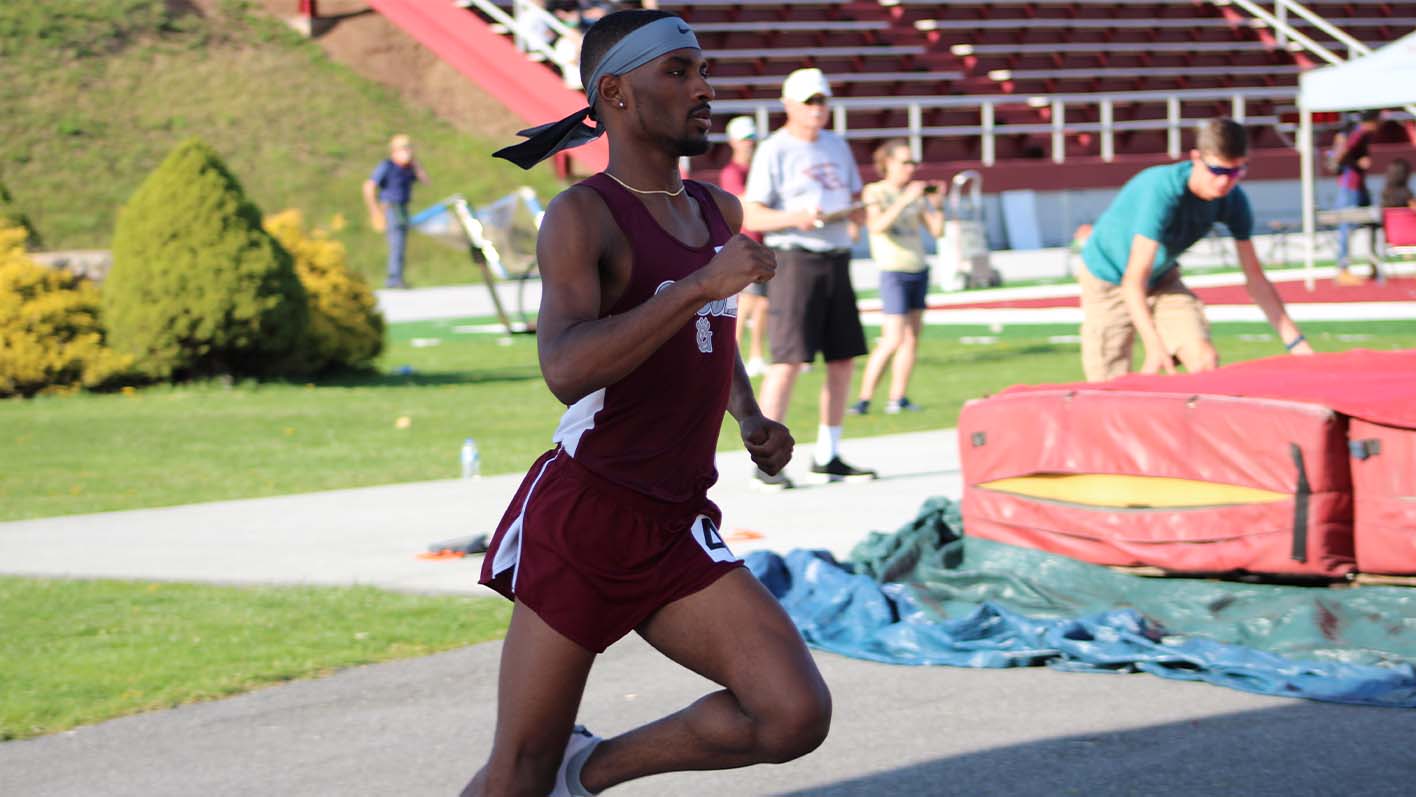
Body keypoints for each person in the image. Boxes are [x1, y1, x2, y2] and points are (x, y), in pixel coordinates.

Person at [470, 10, 831, 796]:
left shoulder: (715, 212)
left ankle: (588, 767)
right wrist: (702, 284)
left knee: (792, 712)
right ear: (616, 94)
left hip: (675, 523)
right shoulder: (583, 216)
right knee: (516, 772)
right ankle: (551, 770)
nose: (704, 87)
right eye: (678, 72)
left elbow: (708, 329)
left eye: (702, 69)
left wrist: (747, 412)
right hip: (589, 516)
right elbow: (565, 367)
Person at [1078, 117, 1314, 382]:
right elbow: (1133, 281)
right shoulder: (1163, 190)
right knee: (1108, 385)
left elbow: (1256, 280)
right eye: (1218, 171)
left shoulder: (1233, 200)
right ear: (1196, 159)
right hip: (1107, 280)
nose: (1226, 182)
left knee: (1204, 358)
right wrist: (1154, 345)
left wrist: (1297, 345)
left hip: (1163, 279)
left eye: (1237, 171)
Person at [742, 67, 876, 490]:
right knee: (788, 360)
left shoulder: (837, 145)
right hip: (795, 259)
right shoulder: (775, 150)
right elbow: (751, 213)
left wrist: (858, 213)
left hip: (836, 256)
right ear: (789, 105)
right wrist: (795, 218)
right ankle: (765, 460)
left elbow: (851, 197)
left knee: (842, 358)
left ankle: (828, 453)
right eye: (810, 101)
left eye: (823, 101)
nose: (819, 109)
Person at [849, 138, 944, 416]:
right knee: (892, 338)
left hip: (918, 268)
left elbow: (937, 231)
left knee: (912, 338)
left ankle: (898, 397)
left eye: (913, 162)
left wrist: (936, 204)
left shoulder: (915, 194)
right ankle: (864, 398)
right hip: (893, 270)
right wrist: (905, 199)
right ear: (888, 163)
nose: (911, 168)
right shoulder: (875, 191)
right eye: (905, 162)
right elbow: (876, 226)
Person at [719, 115, 769, 375]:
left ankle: (747, 355)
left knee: (755, 304)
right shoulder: (733, 172)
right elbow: (746, 202)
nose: (749, 144)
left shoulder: (757, 169)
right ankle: (749, 355)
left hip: (760, 240)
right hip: (746, 243)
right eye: (744, 139)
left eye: (751, 139)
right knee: (754, 304)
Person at [363, 134, 427, 289]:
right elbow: (369, 186)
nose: (408, 152)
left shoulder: (408, 167)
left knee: (401, 244)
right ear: (394, 151)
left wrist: (416, 164)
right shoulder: (387, 166)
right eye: (404, 149)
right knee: (396, 244)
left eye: (409, 149)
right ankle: (393, 278)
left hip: (403, 208)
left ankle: (397, 276)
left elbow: (426, 181)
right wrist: (374, 211)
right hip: (391, 208)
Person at [1328, 110, 1381, 285]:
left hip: (1356, 185)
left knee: (1370, 222)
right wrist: (1357, 162)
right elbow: (1342, 155)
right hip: (1350, 185)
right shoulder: (1358, 133)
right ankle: (1343, 268)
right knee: (1346, 225)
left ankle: (1373, 265)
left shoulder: (1360, 133)